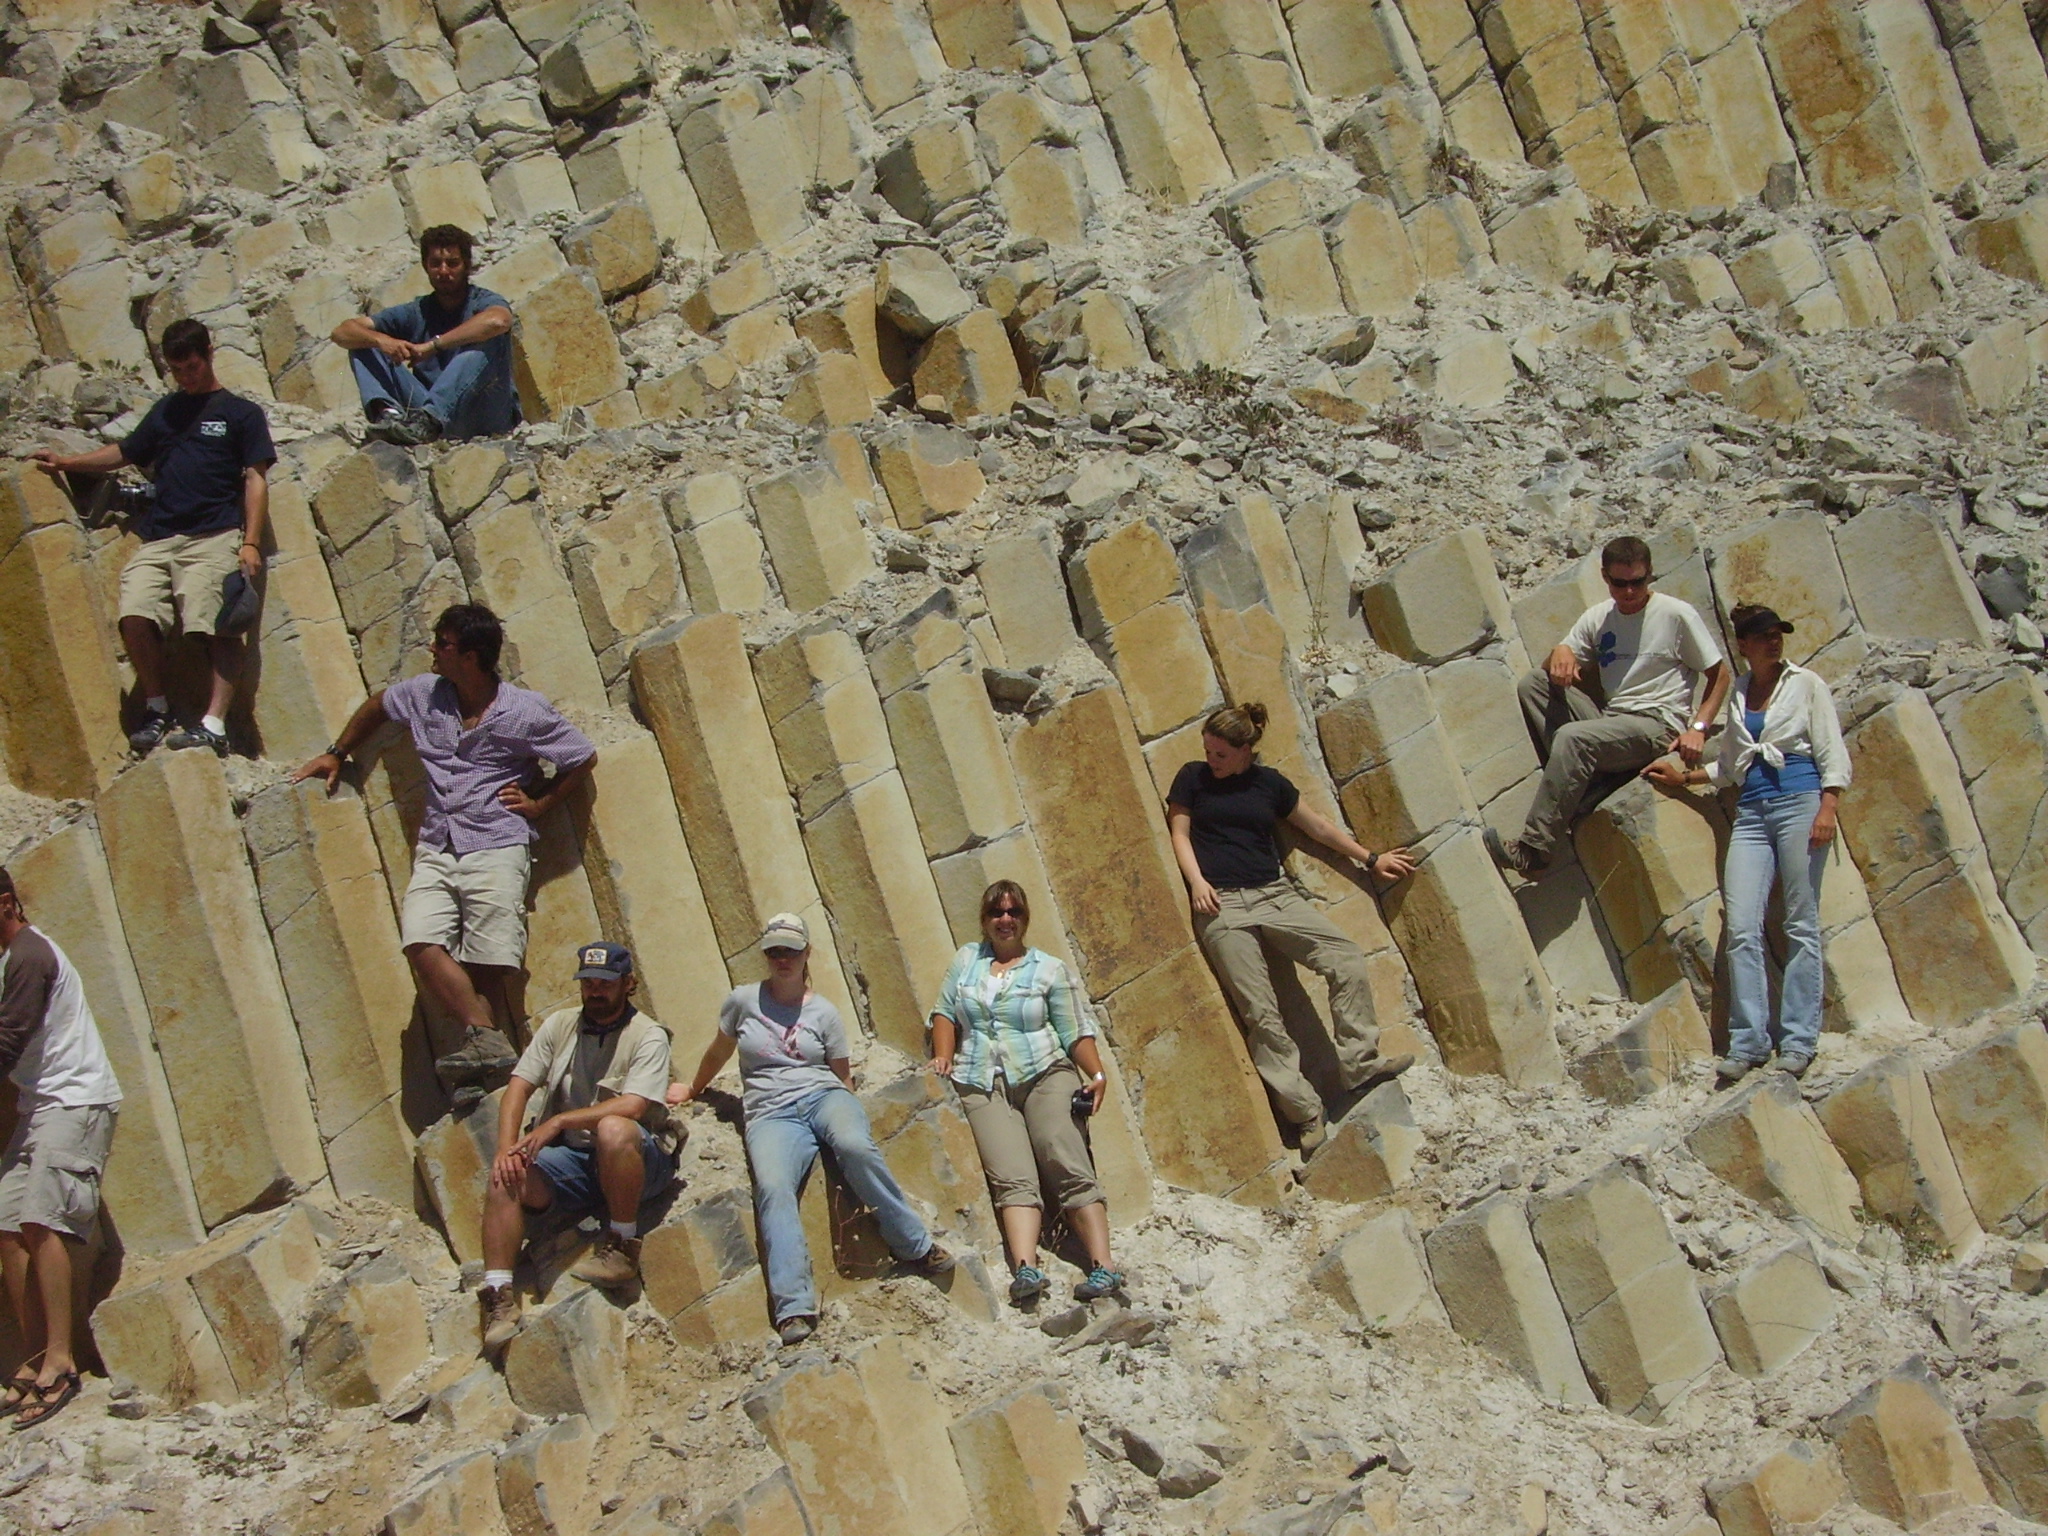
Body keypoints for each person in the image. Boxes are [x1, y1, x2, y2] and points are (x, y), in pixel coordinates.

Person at [291, 603, 596, 1100]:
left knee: (487, 958)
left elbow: (581, 756)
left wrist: (540, 803)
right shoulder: (425, 694)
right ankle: (489, 1037)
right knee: (420, 939)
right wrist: (337, 752)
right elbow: (376, 705)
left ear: (471, 657)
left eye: (444, 644)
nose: (432, 649)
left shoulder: (524, 710)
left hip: (496, 841)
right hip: (438, 841)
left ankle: (478, 1068)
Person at [668, 913, 953, 1346]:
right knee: (773, 1186)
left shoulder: (823, 1012)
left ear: (807, 954)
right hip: (769, 1112)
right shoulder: (743, 1001)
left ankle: (914, 1245)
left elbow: (842, 1076)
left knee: (854, 1146)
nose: (782, 959)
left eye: (791, 950)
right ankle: (793, 1306)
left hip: (823, 1095)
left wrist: (845, 1108)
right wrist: (693, 1088)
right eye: (774, 951)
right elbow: (719, 1049)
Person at [1167, 703, 1418, 1155]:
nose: (1212, 760)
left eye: (1221, 754)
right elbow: (1180, 834)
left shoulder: (1270, 785)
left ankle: (1360, 1063)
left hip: (1275, 895)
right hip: (1222, 906)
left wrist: (1371, 858)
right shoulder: (1192, 776)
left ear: (1245, 750)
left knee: (1345, 956)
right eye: (1207, 750)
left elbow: (1318, 827)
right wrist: (1197, 882)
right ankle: (1305, 1114)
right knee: (1260, 1014)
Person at [31, 318, 273, 758]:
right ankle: (157, 707)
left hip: (215, 535)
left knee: (219, 626)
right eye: (177, 369)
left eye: (192, 366)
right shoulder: (166, 410)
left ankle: (214, 724)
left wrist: (251, 542)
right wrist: (66, 462)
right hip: (160, 537)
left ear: (208, 354)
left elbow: (256, 478)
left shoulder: (241, 414)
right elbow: (124, 452)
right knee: (135, 614)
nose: (186, 376)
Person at [1645, 605, 1849, 1083]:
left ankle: (1798, 1039)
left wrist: (1828, 808)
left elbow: (1830, 749)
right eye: (1762, 636)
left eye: (1777, 634)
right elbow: (1732, 767)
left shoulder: (1806, 684)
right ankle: (1750, 1040)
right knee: (1741, 925)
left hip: (1800, 800)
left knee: (1799, 921)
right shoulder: (1737, 693)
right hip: (1753, 812)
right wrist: (1685, 778)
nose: (1773, 642)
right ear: (1744, 645)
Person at [1487, 535, 1730, 878]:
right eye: (1620, 583)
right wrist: (1561, 651)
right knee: (1533, 684)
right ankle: (1592, 783)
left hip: (1656, 725)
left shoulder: (1675, 615)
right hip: (1612, 720)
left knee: (1573, 738)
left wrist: (1699, 729)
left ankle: (1535, 849)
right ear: (1605, 577)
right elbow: (1553, 672)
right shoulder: (1598, 618)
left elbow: (1719, 675)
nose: (1629, 592)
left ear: (1650, 575)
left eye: (1638, 582)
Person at [928, 881, 1122, 1307]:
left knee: (1063, 1153)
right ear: (984, 920)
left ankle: (1104, 1266)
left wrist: (1097, 1073)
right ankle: (1025, 1267)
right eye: (997, 913)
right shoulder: (966, 960)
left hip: (1043, 1072)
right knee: (1011, 1174)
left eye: (1014, 911)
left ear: (1025, 918)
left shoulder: (1048, 969)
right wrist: (943, 1057)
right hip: (981, 1079)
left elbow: (1074, 1030)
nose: (1005, 920)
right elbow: (943, 1012)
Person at [476, 942, 676, 1352]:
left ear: (628, 984)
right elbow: (518, 1086)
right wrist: (505, 1148)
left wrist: (559, 1120)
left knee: (613, 1129)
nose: (595, 992)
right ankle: (499, 1295)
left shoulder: (648, 1035)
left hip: (638, 1159)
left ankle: (621, 1245)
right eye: (588, 983)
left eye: (605, 983)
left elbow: (635, 1105)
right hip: (576, 1161)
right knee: (505, 1174)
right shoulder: (560, 1026)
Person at [0, 867, 122, 1430]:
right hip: (38, 1110)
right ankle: (31, 1360)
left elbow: (8, 1041)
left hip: (76, 1102)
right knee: (7, 1227)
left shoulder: (28, 954)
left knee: (42, 1223)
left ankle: (61, 1361)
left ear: (6, 904)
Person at [332, 224, 517, 446]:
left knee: (487, 340)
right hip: (428, 418)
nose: (444, 271)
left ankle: (428, 420)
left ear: (467, 265)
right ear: (425, 267)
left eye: (452, 263)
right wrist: (384, 341)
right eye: (436, 264)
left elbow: (498, 321)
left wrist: (433, 346)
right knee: (363, 341)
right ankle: (390, 416)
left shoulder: (483, 301)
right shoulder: (417, 311)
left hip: (485, 412)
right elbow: (341, 332)